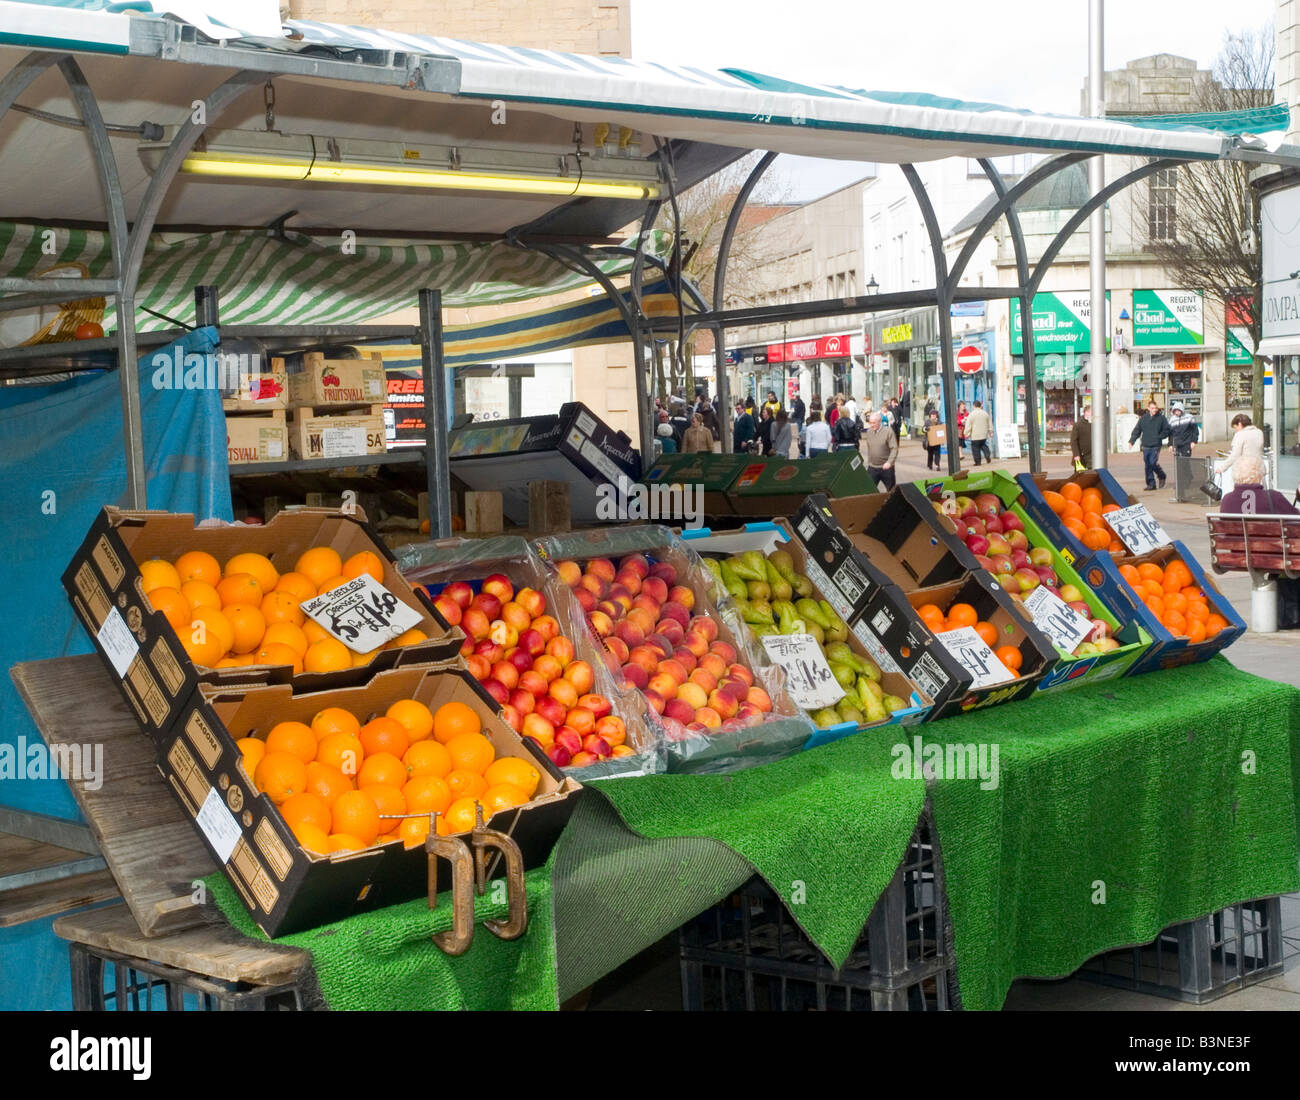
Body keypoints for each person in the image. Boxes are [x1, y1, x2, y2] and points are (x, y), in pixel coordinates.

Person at [1221, 456, 1296, 515]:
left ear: (1235, 475)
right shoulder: (1274, 497)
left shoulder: (1226, 500)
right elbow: (1296, 519)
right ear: (1260, 475)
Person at [1128, 400, 1172, 492]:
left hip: (1156, 445)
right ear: (1148, 409)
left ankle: (1161, 475)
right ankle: (1151, 484)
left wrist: (1160, 436)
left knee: (1152, 463)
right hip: (1145, 445)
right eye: (1152, 408)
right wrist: (1132, 441)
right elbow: (1137, 430)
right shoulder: (1143, 419)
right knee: (1148, 465)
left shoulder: (1161, 418)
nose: (1154, 410)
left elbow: (1167, 430)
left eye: (1156, 408)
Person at [1216, 412, 1266, 482]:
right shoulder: (1259, 432)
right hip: (1259, 469)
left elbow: (1235, 455)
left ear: (1239, 424)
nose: (1236, 430)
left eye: (1235, 427)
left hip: (1245, 471)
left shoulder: (1240, 435)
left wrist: (1221, 468)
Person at [861, 412, 898, 489]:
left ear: (880, 421)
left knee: (891, 491)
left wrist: (889, 462)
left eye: (874, 423)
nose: (871, 425)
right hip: (872, 467)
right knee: (869, 490)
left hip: (886, 468)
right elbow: (870, 447)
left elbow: (894, 448)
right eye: (870, 423)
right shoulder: (869, 432)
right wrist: (870, 462)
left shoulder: (888, 431)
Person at [964, 399, 992, 466]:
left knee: (975, 449)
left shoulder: (971, 414)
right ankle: (987, 455)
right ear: (980, 405)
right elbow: (989, 423)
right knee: (983, 445)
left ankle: (978, 462)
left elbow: (968, 425)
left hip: (975, 435)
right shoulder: (985, 413)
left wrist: (966, 433)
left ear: (974, 406)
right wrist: (990, 431)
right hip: (983, 435)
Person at [1071, 405, 1093, 470]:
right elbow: (1073, 441)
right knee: (1079, 476)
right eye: (1092, 412)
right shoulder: (1078, 424)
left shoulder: (1094, 423)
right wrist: (1076, 454)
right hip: (1081, 454)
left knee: (1092, 474)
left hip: (1091, 454)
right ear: (1086, 412)